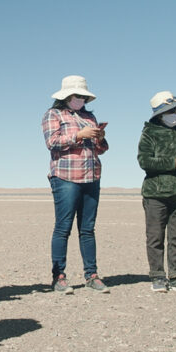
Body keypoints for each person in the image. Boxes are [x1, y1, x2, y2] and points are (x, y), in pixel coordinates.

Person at [42, 75, 109, 294]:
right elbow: (52, 142)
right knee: (63, 228)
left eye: (83, 96)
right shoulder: (53, 114)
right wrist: (78, 135)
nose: (81, 99)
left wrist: (99, 137)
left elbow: (101, 149)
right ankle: (59, 276)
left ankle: (92, 275)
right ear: (67, 96)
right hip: (66, 177)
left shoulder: (89, 116)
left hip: (91, 176)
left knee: (88, 229)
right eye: (77, 95)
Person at [136, 91, 176, 292]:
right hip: (156, 193)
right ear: (159, 114)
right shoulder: (150, 133)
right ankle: (157, 276)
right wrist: (173, 163)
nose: (175, 113)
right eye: (170, 110)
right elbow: (144, 161)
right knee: (155, 236)